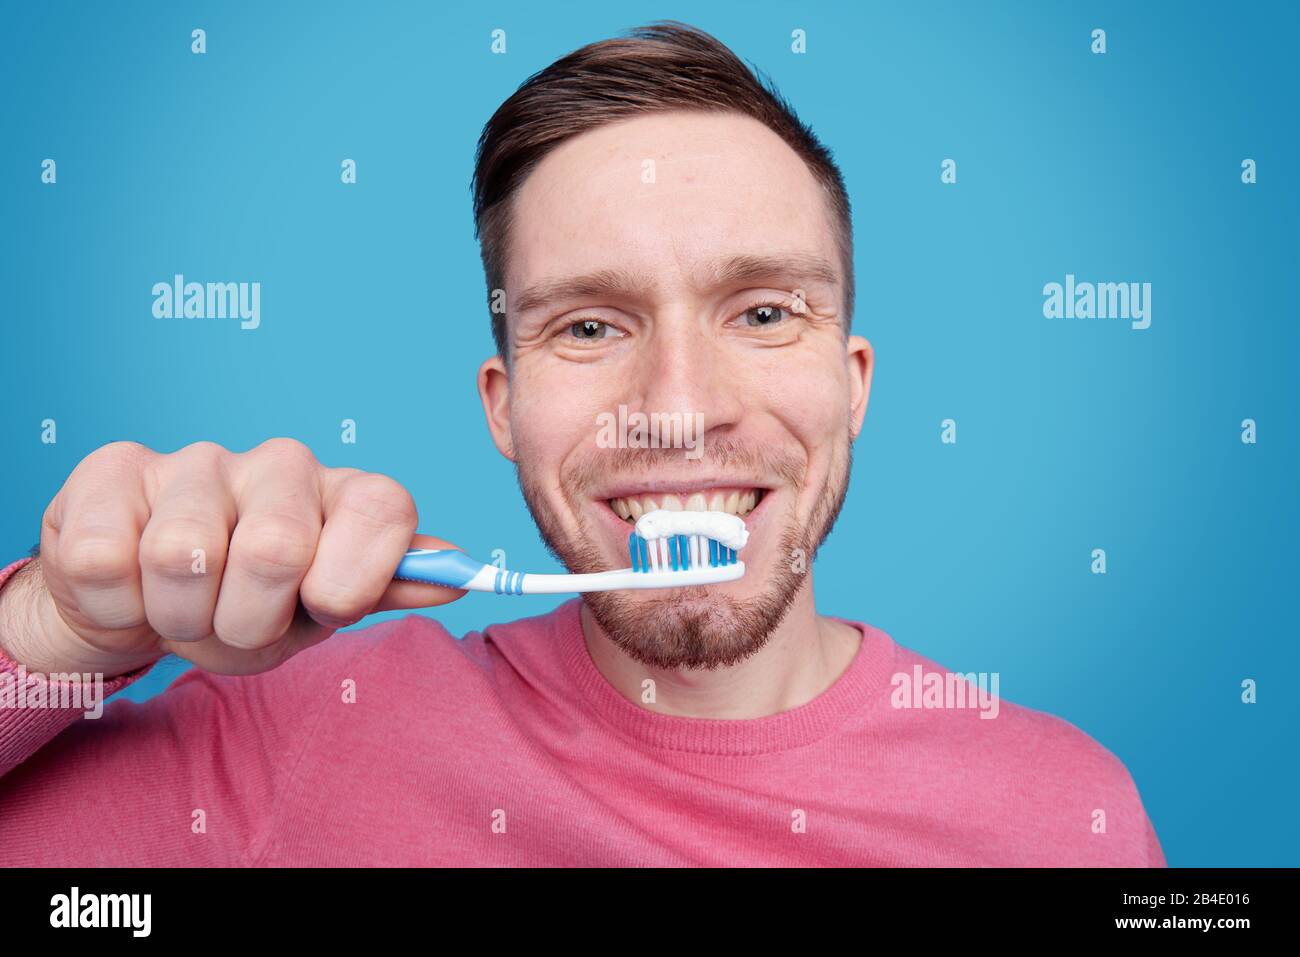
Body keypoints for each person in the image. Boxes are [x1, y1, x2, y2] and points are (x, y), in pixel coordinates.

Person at [0, 21, 1164, 866]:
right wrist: (52, 634)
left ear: (850, 384)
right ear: (503, 406)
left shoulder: (1062, 814)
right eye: (591, 325)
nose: (678, 404)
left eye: (763, 313)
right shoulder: (285, 741)